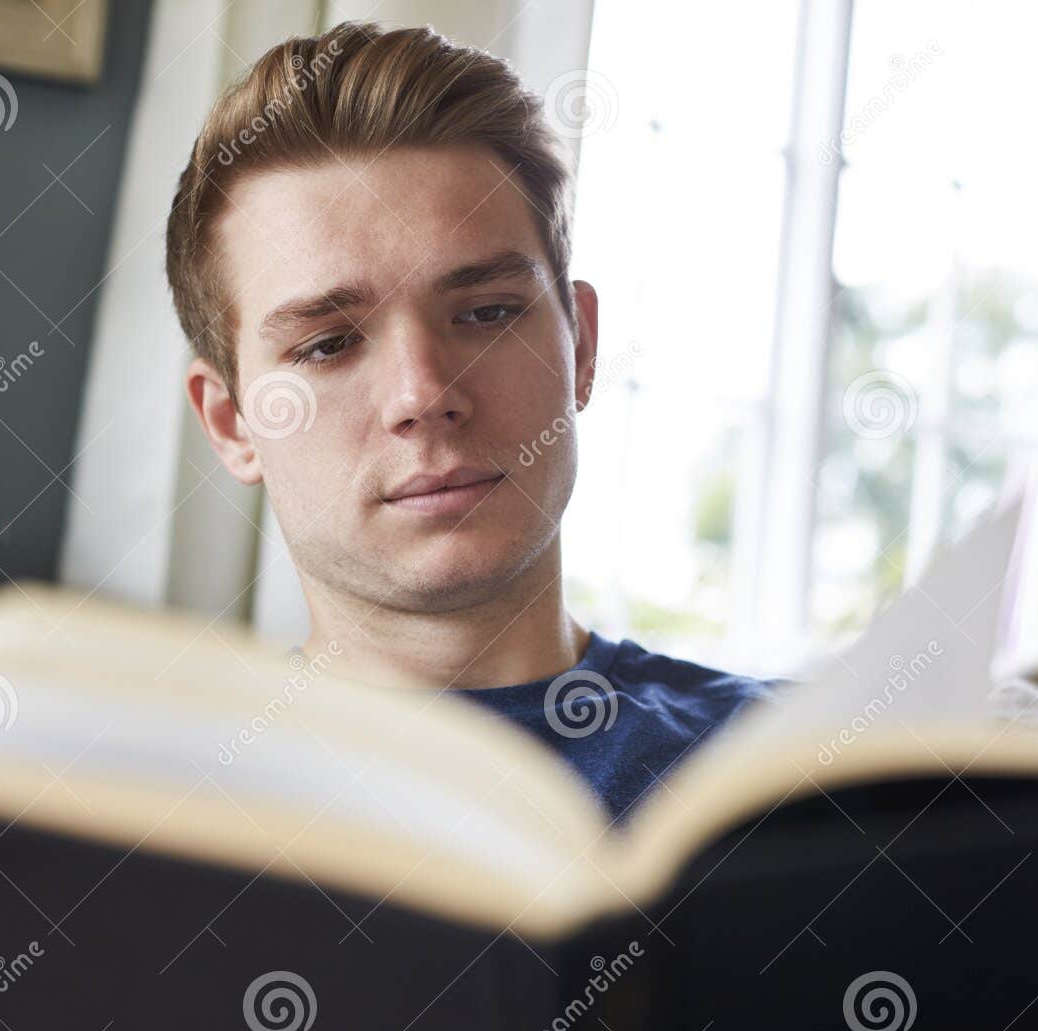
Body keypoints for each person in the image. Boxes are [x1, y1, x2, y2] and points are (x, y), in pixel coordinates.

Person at [167, 21, 771, 818]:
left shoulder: (814, 765)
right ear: (232, 423)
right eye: (328, 344)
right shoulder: (145, 808)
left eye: (486, 311)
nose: (423, 392)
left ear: (582, 346)